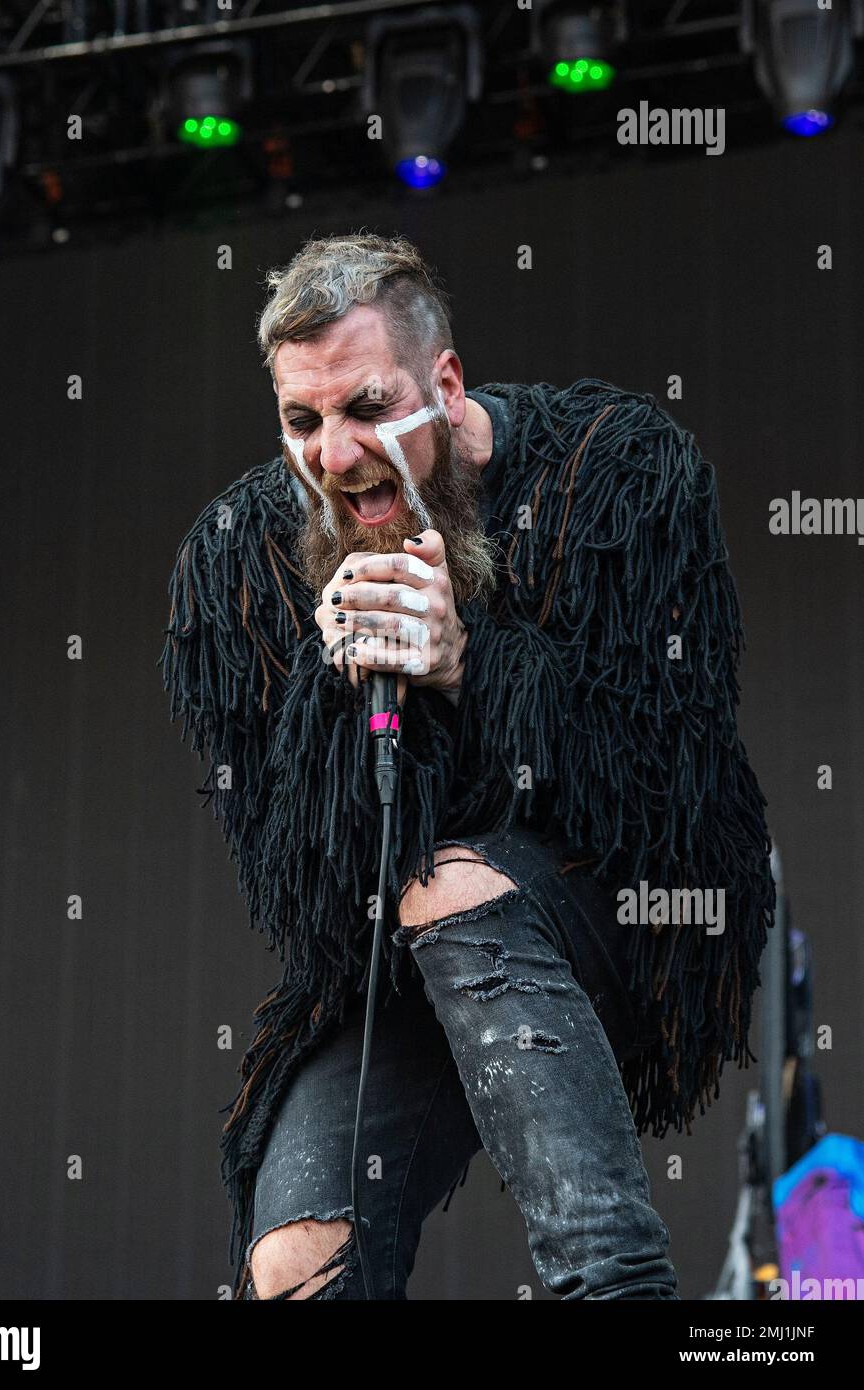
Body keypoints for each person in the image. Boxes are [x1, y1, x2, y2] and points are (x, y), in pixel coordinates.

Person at [159, 232, 774, 1300]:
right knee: (296, 1264)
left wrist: (468, 665)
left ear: (444, 383)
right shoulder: (241, 559)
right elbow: (303, 896)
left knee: (456, 890)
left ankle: (609, 1278)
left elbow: (669, 788)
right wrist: (337, 690)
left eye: (366, 407)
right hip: (396, 947)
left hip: (620, 902)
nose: (336, 456)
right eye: (301, 422)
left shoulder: (617, 469)